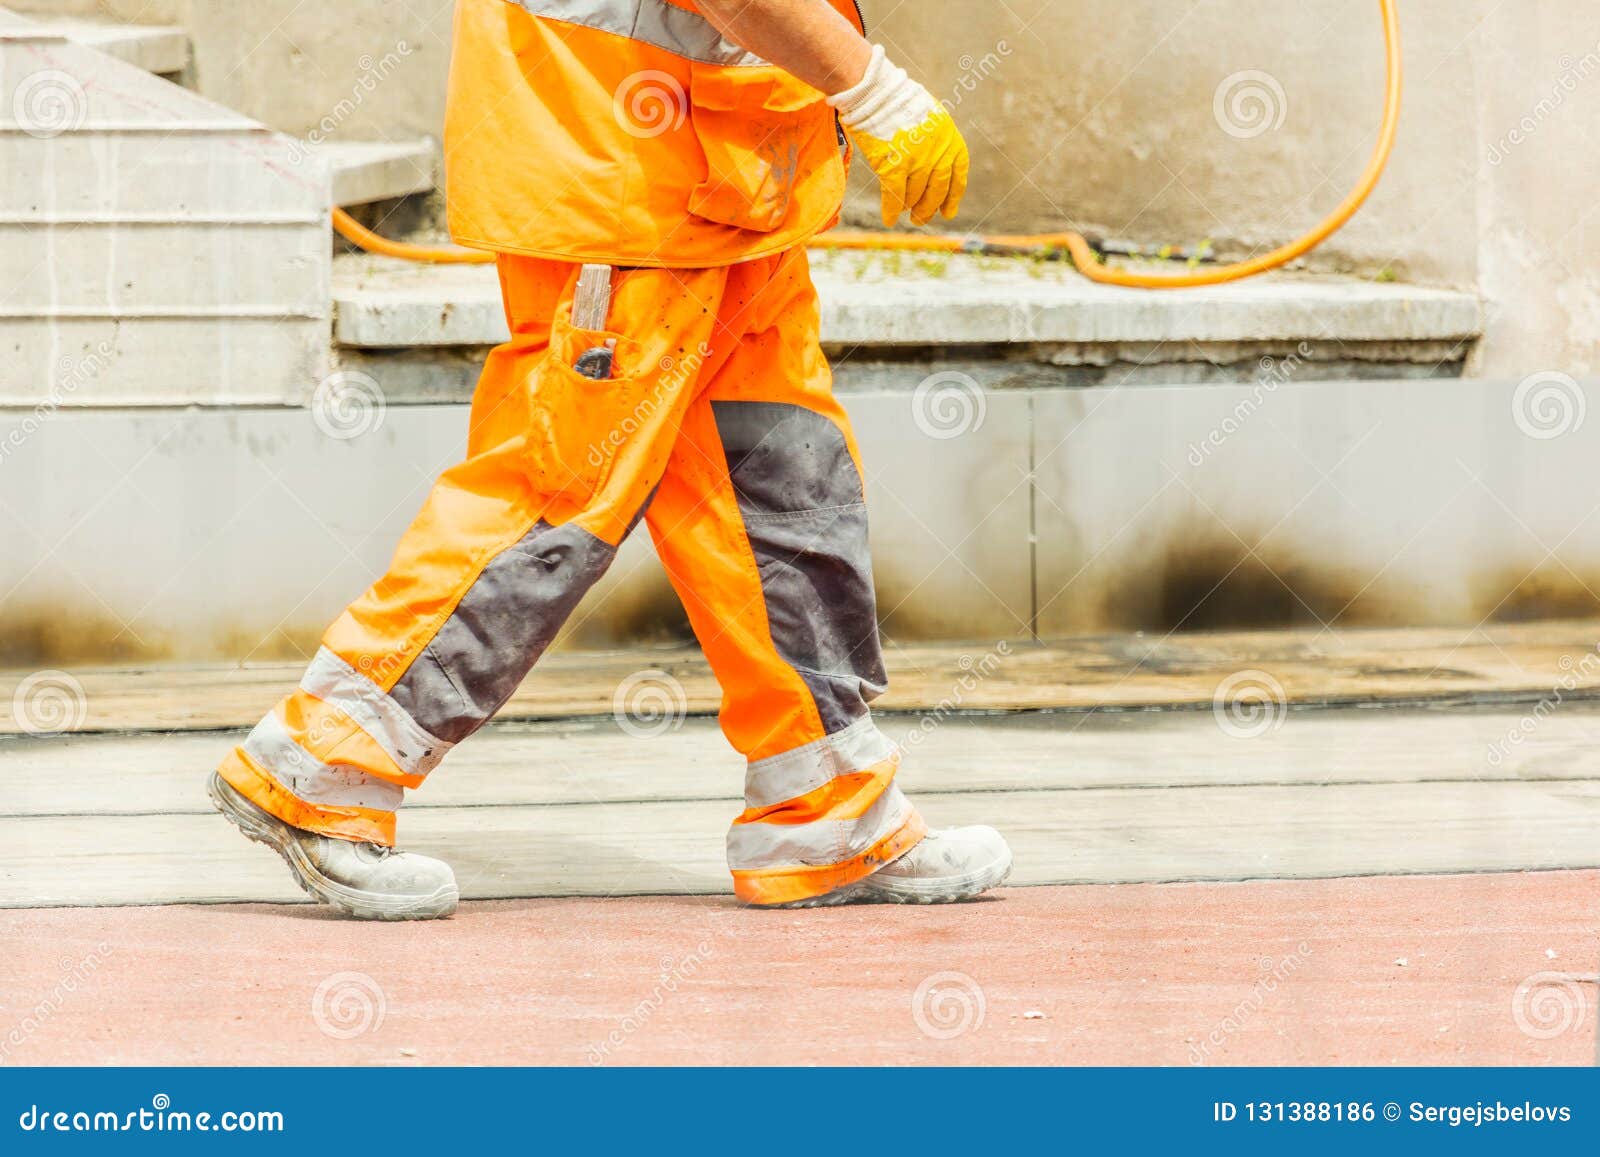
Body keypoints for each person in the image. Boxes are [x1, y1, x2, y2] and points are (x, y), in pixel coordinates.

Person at [207, 0, 1013, 919]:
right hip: (630, 186)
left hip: (718, 182)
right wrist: (870, 88)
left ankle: (831, 806)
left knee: (775, 494)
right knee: (555, 501)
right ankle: (321, 762)